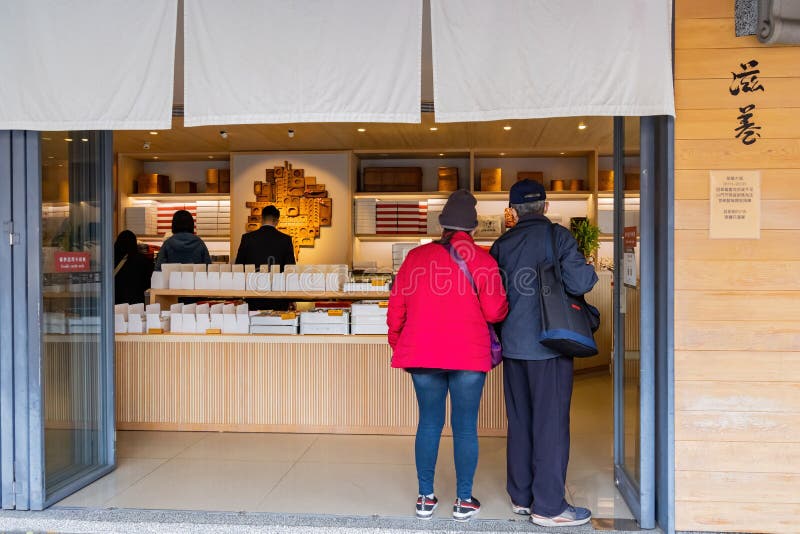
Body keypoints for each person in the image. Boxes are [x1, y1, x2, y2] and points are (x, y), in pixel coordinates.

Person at [388, 190, 508, 522]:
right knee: (465, 427)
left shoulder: (415, 257)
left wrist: (399, 343)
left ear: (442, 225)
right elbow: (496, 312)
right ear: (473, 228)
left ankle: (425, 498)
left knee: (428, 422)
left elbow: (396, 307)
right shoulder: (483, 261)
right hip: (469, 355)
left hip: (422, 354)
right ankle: (464, 501)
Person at [489, 180, 598, 527]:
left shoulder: (501, 244)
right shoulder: (559, 237)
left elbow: (493, 297)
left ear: (513, 211)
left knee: (519, 421)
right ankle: (549, 506)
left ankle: (521, 497)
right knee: (550, 424)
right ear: (546, 207)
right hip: (550, 344)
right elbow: (582, 283)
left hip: (513, 347)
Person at [234, 205, 295, 269]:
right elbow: (290, 269)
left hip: (252, 278)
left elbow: (238, 266)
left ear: (261, 219)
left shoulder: (247, 238)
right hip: (276, 279)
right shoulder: (286, 240)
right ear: (277, 221)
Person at [114, 230, 153, 304]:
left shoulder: (110, 260)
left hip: (116, 303)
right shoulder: (143, 261)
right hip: (137, 303)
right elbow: (148, 284)